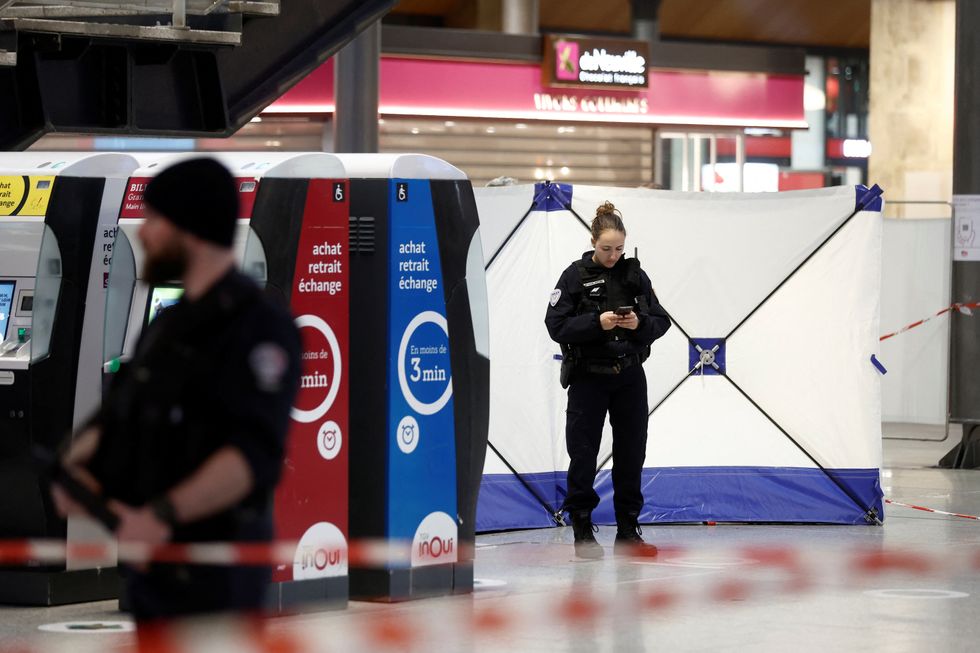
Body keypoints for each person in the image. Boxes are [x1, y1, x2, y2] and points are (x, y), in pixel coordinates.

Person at [52, 157, 301, 628]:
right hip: (156, 573)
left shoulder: (258, 327)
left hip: (217, 572)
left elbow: (251, 456)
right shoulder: (167, 326)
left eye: (154, 219)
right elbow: (123, 417)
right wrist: (78, 468)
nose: (143, 234)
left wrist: (161, 516)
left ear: (190, 226)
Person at [545, 201, 671, 559]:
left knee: (632, 452)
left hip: (630, 376)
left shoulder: (635, 275)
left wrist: (639, 325)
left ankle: (628, 528)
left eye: (619, 249)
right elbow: (555, 325)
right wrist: (595, 323)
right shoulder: (574, 276)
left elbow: (661, 320)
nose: (613, 255)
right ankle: (582, 527)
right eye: (606, 249)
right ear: (592, 241)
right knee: (582, 452)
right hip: (589, 378)